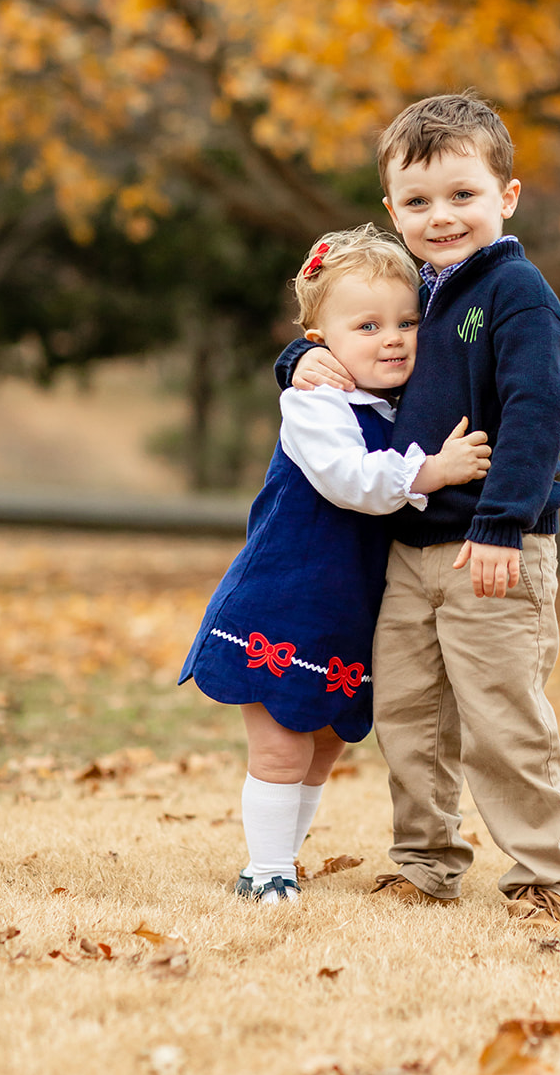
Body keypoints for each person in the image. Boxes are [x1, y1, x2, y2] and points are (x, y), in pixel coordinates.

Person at [281, 94, 560, 926]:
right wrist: (295, 362)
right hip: (405, 549)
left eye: (462, 196)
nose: (440, 217)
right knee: (408, 717)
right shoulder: (412, 283)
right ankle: (424, 861)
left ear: (506, 196)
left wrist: (500, 525)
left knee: (501, 718)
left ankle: (540, 878)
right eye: (416, 202)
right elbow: (335, 319)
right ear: (390, 210)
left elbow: (535, 416)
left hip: (492, 546)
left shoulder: (517, 293)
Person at [178, 224, 490, 904]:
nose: (393, 337)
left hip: (347, 609)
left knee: (322, 748)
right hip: (286, 596)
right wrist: (431, 471)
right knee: (284, 744)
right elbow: (350, 480)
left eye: (407, 321)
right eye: (368, 325)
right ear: (322, 341)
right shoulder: (315, 402)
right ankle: (265, 871)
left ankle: (283, 857)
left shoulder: (397, 405)